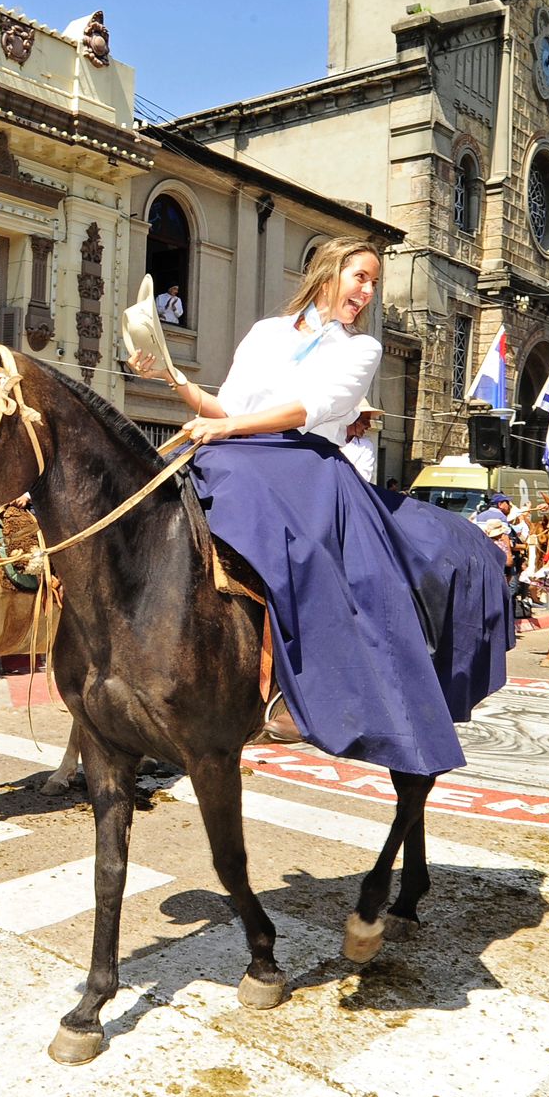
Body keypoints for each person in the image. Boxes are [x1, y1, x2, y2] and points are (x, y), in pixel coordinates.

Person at [128, 234, 508, 762]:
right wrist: (170, 377)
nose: (369, 292)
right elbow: (227, 405)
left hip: (302, 461)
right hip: (234, 445)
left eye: (374, 283)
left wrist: (231, 427)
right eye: (362, 277)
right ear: (329, 271)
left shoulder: (362, 347)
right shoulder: (266, 333)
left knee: (299, 550)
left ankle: (290, 688)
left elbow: (317, 406)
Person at [343, 401, 380, 483]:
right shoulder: (330, 440)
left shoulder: (365, 446)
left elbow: (363, 478)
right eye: (365, 421)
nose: (369, 426)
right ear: (352, 418)